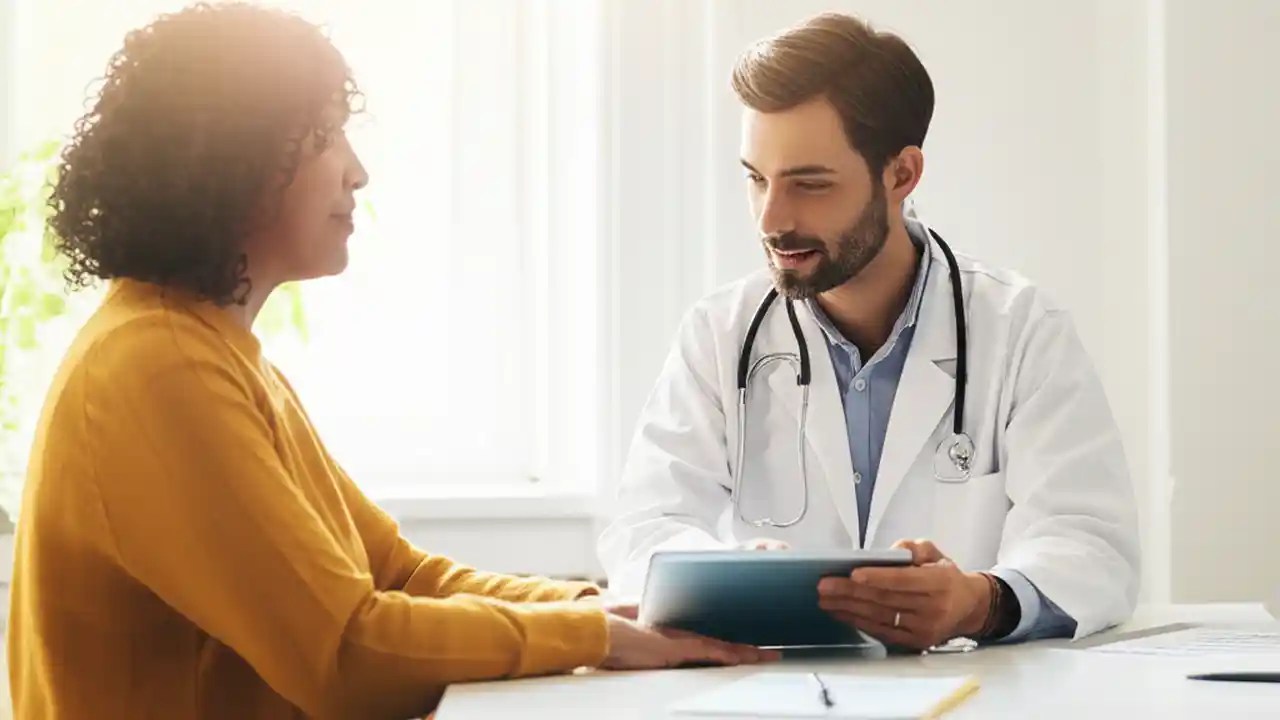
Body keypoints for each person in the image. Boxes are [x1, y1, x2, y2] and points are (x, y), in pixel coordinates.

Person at [7, 5, 773, 719]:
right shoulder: (157, 369)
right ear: (233, 160)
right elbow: (344, 652)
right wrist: (596, 637)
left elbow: (403, 576)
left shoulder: (209, 352)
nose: (356, 172)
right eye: (325, 136)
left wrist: (611, 611)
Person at [598, 12, 1140, 650]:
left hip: (972, 686)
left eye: (810, 184)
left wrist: (979, 601)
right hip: (770, 683)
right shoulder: (720, 335)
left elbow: (1090, 544)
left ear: (901, 174)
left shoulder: (1021, 330)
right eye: (756, 179)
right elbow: (646, 527)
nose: (771, 219)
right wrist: (733, 575)